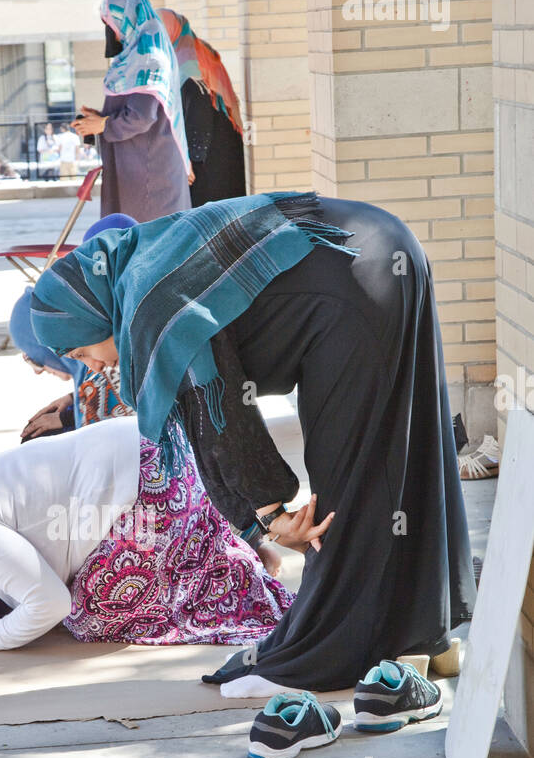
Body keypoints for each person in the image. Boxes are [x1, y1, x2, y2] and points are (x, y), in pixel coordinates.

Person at [29, 191, 477, 695]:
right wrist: (262, 518)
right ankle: (422, 633)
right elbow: (214, 415)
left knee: (346, 485)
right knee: (402, 446)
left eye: (81, 349)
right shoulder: (145, 261)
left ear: (90, 316)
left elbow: (223, 419)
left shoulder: (149, 310)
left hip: (353, 285)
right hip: (384, 245)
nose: (90, 364)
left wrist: (273, 513)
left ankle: (325, 654)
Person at [0, 416, 292, 655]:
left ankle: (239, 583)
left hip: (147, 494)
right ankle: (239, 561)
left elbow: (50, 604)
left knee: (90, 617)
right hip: (166, 450)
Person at [11, 213, 138, 440]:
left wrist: (73, 413)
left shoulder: (117, 354)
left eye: (78, 353)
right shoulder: (146, 321)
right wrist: (74, 403)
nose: (96, 367)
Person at [72, 0, 191, 223]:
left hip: (150, 176)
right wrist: (100, 118)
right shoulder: (137, 58)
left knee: (147, 246)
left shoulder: (149, 59)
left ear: (125, 21)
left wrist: (104, 125)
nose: (111, 33)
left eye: (111, 24)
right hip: (138, 168)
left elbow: (142, 118)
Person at [159, 9, 247, 206]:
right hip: (223, 148)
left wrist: (188, 162)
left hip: (209, 158)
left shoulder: (188, 66)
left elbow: (199, 114)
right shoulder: (198, 52)